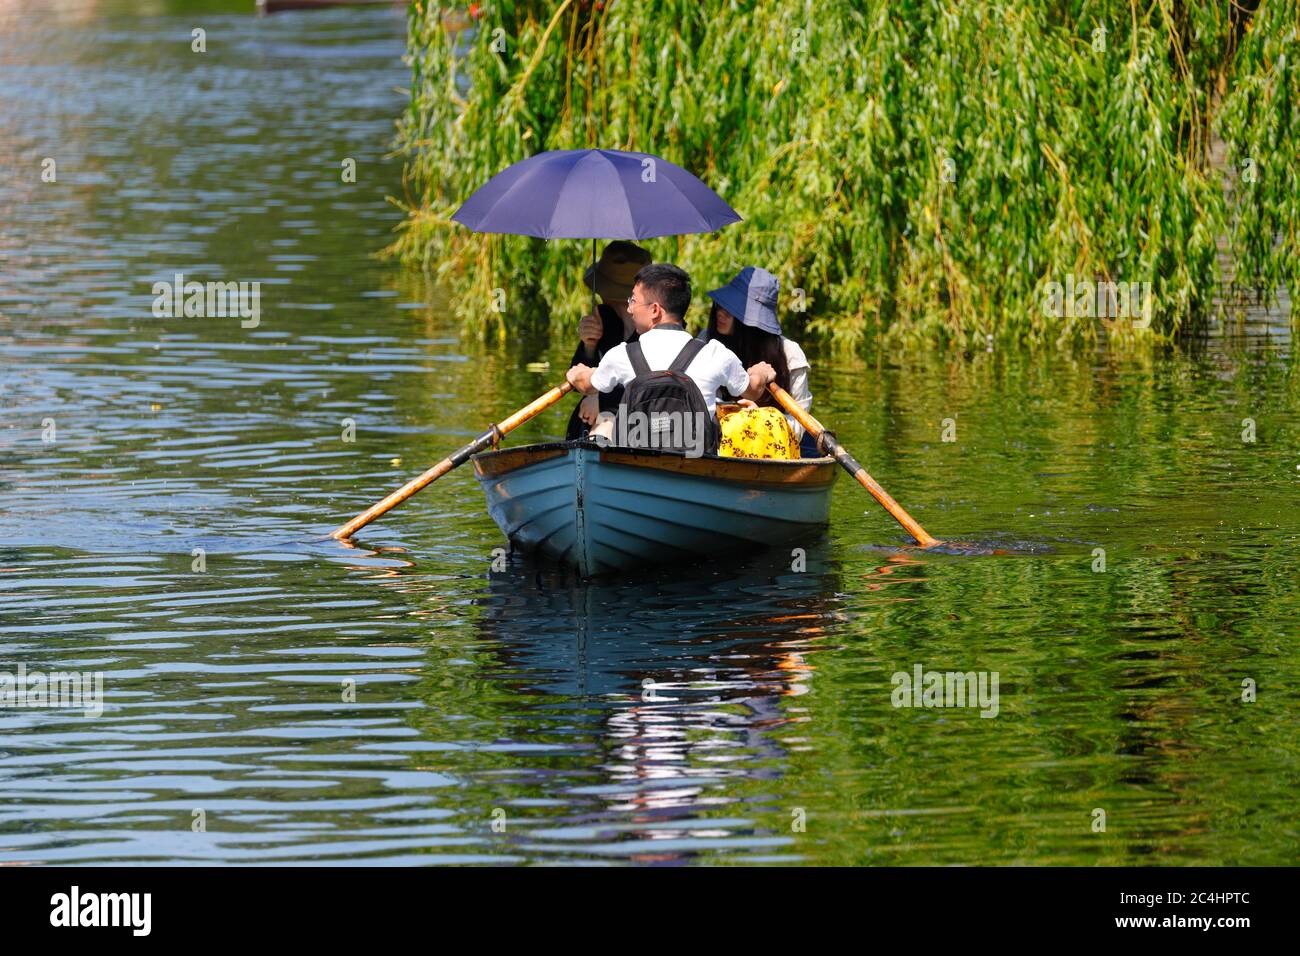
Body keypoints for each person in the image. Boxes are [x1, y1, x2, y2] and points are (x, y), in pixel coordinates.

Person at [566, 263, 776, 451]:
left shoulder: (622, 355)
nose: (629, 308)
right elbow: (752, 391)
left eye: (633, 300)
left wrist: (578, 373)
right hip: (696, 465)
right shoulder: (716, 353)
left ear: (655, 310)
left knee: (603, 425)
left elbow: (585, 385)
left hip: (637, 464)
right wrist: (761, 373)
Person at [701, 266, 817, 457]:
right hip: (718, 441)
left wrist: (760, 422)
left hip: (773, 448)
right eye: (720, 305)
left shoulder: (790, 356)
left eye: (730, 310)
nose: (720, 313)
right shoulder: (706, 342)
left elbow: (799, 425)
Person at [565, 241, 652, 439]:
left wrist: (603, 399)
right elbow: (576, 379)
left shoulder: (656, 328)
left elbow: (652, 385)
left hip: (642, 423)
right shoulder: (604, 317)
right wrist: (589, 345)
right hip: (592, 423)